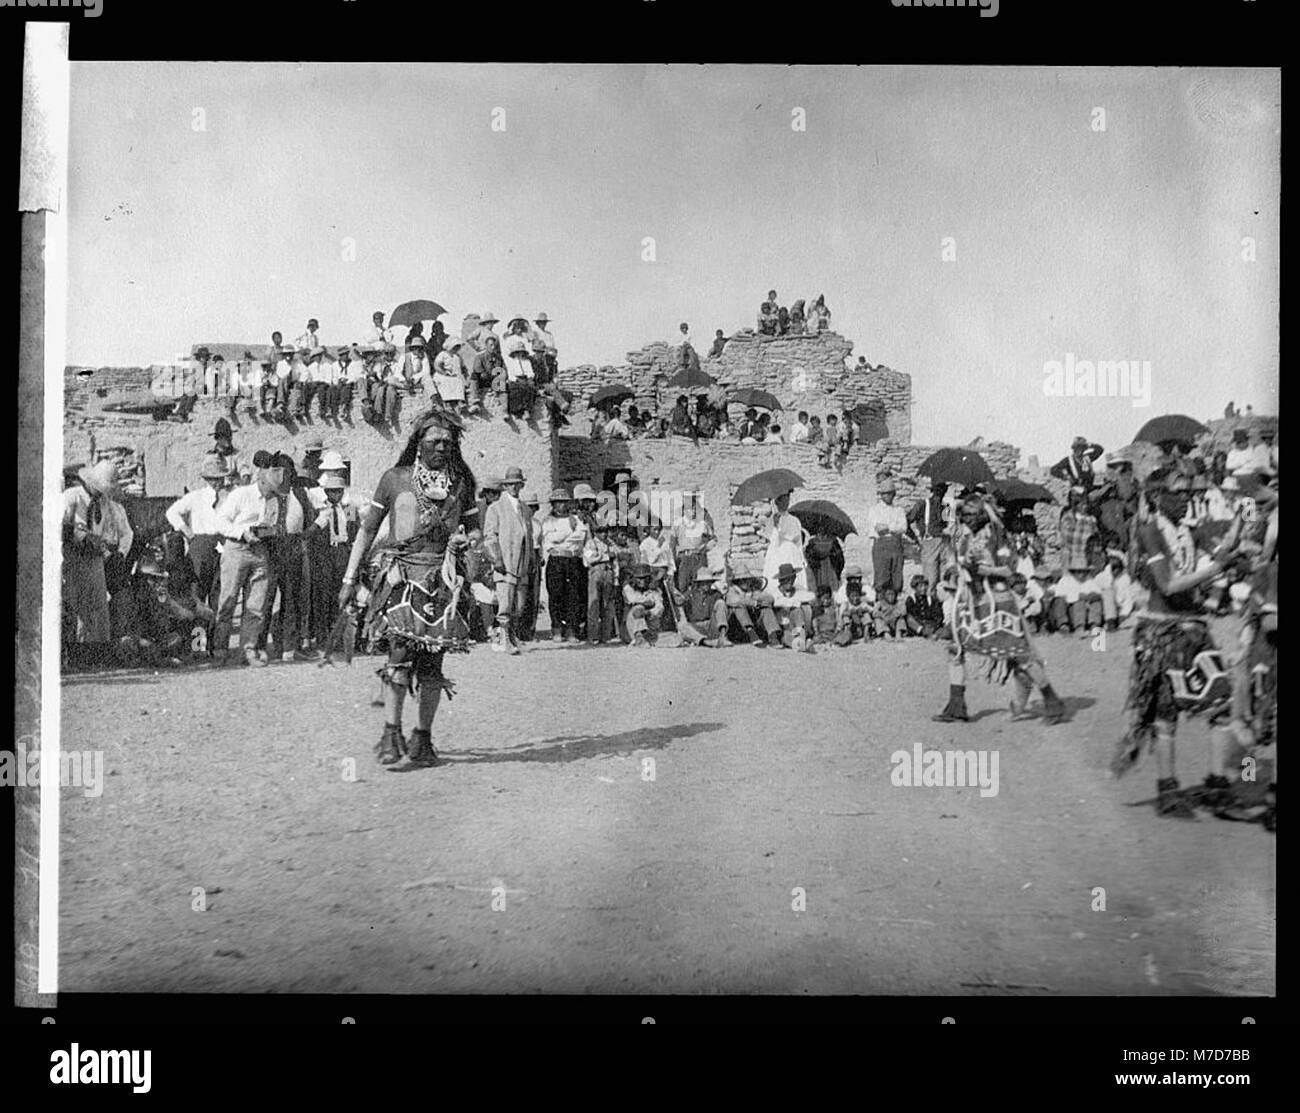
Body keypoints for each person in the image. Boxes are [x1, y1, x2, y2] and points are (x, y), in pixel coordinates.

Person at [337, 408, 476, 767]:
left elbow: (474, 529)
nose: (443, 447)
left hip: (443, 581)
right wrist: (350, 579)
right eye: (435, 441)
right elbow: (367, 530)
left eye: (448, 441)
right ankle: (390, 733)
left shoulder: (461, 482)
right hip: (401, 579)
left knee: (433, 664)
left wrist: (466, 540)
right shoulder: (395, 479)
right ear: (419, 442)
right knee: (398, 657)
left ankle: (423, 739)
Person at [1112, 468, 1245, 817]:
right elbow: (1168, 585)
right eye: (1179, 492)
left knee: (1221, 703)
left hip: (1193, 629)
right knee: (1166, 716)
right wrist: (1215, 569)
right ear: (1157, 497)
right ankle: (1168, 793)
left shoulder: (1189, 530)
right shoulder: (1149, 531)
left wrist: (1244, 521)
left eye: (1190, 492)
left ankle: (1218, 789)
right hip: (1162, 633)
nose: (1186, 498)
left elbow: (1225, 548)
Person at [933, 495, 1067, 726]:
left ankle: (1052, 701)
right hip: (974, 603)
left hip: (999, 602)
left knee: (1020, 653)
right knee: (955, 648)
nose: (967, 519)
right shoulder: (966, 538)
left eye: (971, 515)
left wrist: (982, 569)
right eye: (964, 515)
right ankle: (957, 705)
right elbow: (965, 566)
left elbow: (1008, 570)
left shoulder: (997, 536)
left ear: (982, 515)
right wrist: (956, 566)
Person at [62, 460, 133, 663]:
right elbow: (57, 527)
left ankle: (95, 653)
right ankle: (74, 654)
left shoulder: (104, 504)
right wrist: (78, 536)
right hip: (72, 558)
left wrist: (111, 551)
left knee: (97, 606)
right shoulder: (71, 498)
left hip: (95, 560)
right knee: (74, 606)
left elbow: (118, 533)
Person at [164, 453, 231, 651]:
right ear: (206, 479)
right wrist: (186, 531)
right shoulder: (195, 497)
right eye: (212, 479)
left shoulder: (229, 497)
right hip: (199, 547)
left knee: (220, 597)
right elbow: (172, 512)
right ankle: (198, 646)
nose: (216, 483)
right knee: (198, 599)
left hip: (223, 545)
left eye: (219, 478)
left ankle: (217, 646)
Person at [483, 465, 534, 654]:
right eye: (510, 484)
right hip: (505, 563)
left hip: (522, 562)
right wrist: (496, 558)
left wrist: (532, 560)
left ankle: (513, 635)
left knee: (519, 606)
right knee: (505, 603)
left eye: (517, 484)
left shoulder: (525, 509)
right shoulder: (496, 509)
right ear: (505, 486)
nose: (514, 487)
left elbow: (528, 537)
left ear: (521, 485)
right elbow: (490, 536)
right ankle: (505, 639)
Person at [541, 487, 588, 642]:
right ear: (553, 505)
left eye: (563, 502)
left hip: (571, 560)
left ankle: (571, 630)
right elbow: (549, 540)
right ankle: (556, 629)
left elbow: (581, 536)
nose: (561, 505)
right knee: (555, 595)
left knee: (572, 595)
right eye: (557, 503)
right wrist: (568, 534)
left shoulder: (575, 520)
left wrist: (562, 539)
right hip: (556, 560)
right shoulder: (548, 521)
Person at [582, 510, 620, 645]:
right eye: (600, 531)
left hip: (608, 573)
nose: (603, 534)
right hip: (596, 572)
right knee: (594, 604)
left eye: (605, 531)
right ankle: (592, 636)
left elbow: (616, 561)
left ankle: (606, 636)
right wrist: (605, 556)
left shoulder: (610, 544)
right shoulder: (591, 543)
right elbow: (588, 560)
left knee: (607, 605)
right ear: (595, 532)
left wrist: (616, 579)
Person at [906, 475, 950, 592]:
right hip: (929, 543)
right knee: (930, 580)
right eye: (938, 489)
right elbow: (907, 521)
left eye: (943, 489)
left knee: (945, 580)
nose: (941, 492)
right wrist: (916, 539)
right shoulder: (923, 504)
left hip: (945, 544)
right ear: (933, 490)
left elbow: (948, 526)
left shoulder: (946, 507)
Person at [761, 489, 809, 593]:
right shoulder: (771, 520)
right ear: (777, 502)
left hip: (793, 554)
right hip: (778, 553)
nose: (786, 502)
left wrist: (802, 558)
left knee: (795, 580)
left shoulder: (794, 520)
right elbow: (773, 541)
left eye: (788, 498)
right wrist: (776, 526)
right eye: (783, 499)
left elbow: (798, 543)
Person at [866, 478, 907, 596]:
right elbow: (876, 529)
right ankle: (880, 602)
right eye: (885, 493)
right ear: (881, 495)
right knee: (881, 576)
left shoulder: (899, 510)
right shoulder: (874, 510)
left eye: (890, 493)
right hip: (881, 545)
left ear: (894, 494)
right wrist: (893, 527)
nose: (888, 496)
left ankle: (896, 603)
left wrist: (887, 528)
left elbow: (903, 528)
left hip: (896, 545)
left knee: (897, 575)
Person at [670, 492, 715, 594]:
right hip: (684, 559)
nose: (693, 511)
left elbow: (713, 539)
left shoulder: (702, 524)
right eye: (690, 508)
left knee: (699, 585)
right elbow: (672, 545)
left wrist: (705, 548)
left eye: (694, 508)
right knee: (682, 586)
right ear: (684, 510)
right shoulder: (678, 524)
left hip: (699, 558)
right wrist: (673, 563)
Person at [769, 563, 815, 651]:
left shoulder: (797, 590)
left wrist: (796, 602)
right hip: (783, 627)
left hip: (796, 625)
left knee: (798, 610)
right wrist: (792, 602)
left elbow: (811, 596)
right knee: (786, 637)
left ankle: (801, 641)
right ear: (780, 581)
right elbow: (775, 602)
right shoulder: (775, 593)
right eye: (786, 580)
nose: (789, 582)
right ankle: (802, 644)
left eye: (791, 579)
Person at [623, 564, 665, 646]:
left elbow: (660, 607)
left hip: (649, 623)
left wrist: (649, 612)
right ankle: (639, 637)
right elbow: (633, 600)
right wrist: (646, 603)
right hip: (631, 626)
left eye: (645, 578)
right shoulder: (628, 588)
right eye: (639, 578)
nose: (642, 581)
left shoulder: (655, 591)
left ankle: (647, 637)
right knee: (638, 608)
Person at [833, 572, 872, 646]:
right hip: (851, 627)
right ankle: (847, 634)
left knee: (866, 614)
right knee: (846, 617)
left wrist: (863, 610)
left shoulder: (862, 602)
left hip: (861, 627)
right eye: (853, 596)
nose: (855, 598)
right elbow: (841, 614)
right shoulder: (846, 603)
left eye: (857, 596)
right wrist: (850, 612)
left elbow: (871, 610)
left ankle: (866, 635)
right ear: (848, 596)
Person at [804, 530, 844, 595]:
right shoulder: (833, 542)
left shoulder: (812, 543)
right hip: (830, 569)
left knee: (818, 588)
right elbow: (840, 559)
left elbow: (808, 557)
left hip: (818, 570)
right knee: (832, 590)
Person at [432, 337, 467, 410]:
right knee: (445, 381)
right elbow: (437, 366)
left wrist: (465, 374)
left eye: (457, 347)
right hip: (442, 374)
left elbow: (463, 367)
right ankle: (447, 402)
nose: (456, 349)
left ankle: (460, 401)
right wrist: (445, 373)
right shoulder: (442, 354)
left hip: (454, 375)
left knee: (458, 381)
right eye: (455, 347)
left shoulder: (458, 356)